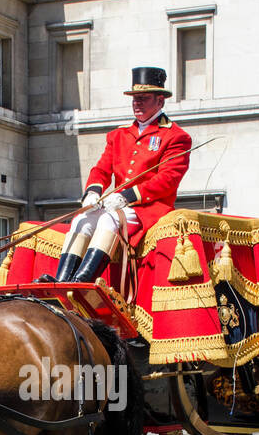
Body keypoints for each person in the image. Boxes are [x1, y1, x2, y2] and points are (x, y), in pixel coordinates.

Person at [49, 66, 192, 284]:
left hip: (149, 208)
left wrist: (128, 196)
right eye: (134, 98)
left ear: (160, 101)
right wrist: (93, 192)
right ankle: (61, 281)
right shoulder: (119, 134)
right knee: (82, 219)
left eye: (143, 98)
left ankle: (83, 281)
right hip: (117, 203)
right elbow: (101, 170)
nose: (137, 103)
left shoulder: (176, 136)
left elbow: (167, 180)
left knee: (109, 219)